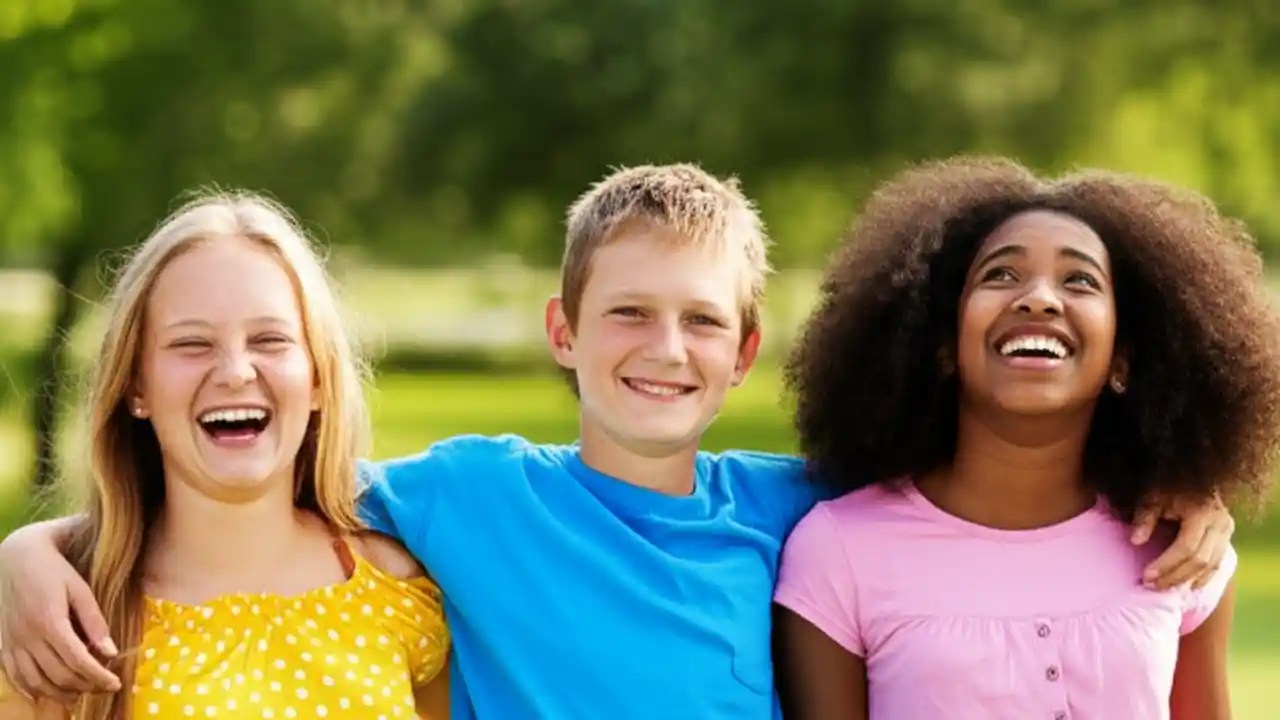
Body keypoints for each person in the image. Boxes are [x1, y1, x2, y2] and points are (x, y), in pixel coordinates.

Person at [0, 165, 1236, 719]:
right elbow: (255, 477)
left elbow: (992, 503)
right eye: (628, 314)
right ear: (562, 330)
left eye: (702, 321)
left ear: (744, 352)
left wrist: (1176, 492)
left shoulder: (803, 509)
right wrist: (38, 545)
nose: (665, 348)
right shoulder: (473, 495)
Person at [773, 157, 1280, 720]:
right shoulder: (839, 552)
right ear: (942, 344)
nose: (1039, 298)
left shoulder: (1183, 551)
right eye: (1001, 275)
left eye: (1080, 280)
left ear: (1123, 361)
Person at [0, 193, 449, 718]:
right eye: (192, 344)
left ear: (319, 380)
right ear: (135, 386)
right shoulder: (63, 622)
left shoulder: (399, 590)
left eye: (269, 339)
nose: (236, 371)